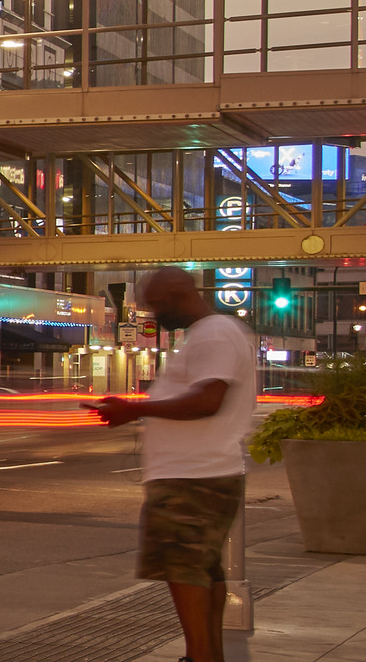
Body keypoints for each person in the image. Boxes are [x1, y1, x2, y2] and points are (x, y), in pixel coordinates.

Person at [94, 268, 259, 662]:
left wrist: (134, 410)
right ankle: (207, 654)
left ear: (176, 295)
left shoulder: (213, 334)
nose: (153, 315)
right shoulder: (217, 332)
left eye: (156, 306)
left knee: (185, 571)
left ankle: (201, 656)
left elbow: (208, 399)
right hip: (203, 471)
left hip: (193, 477)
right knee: (204, 570)